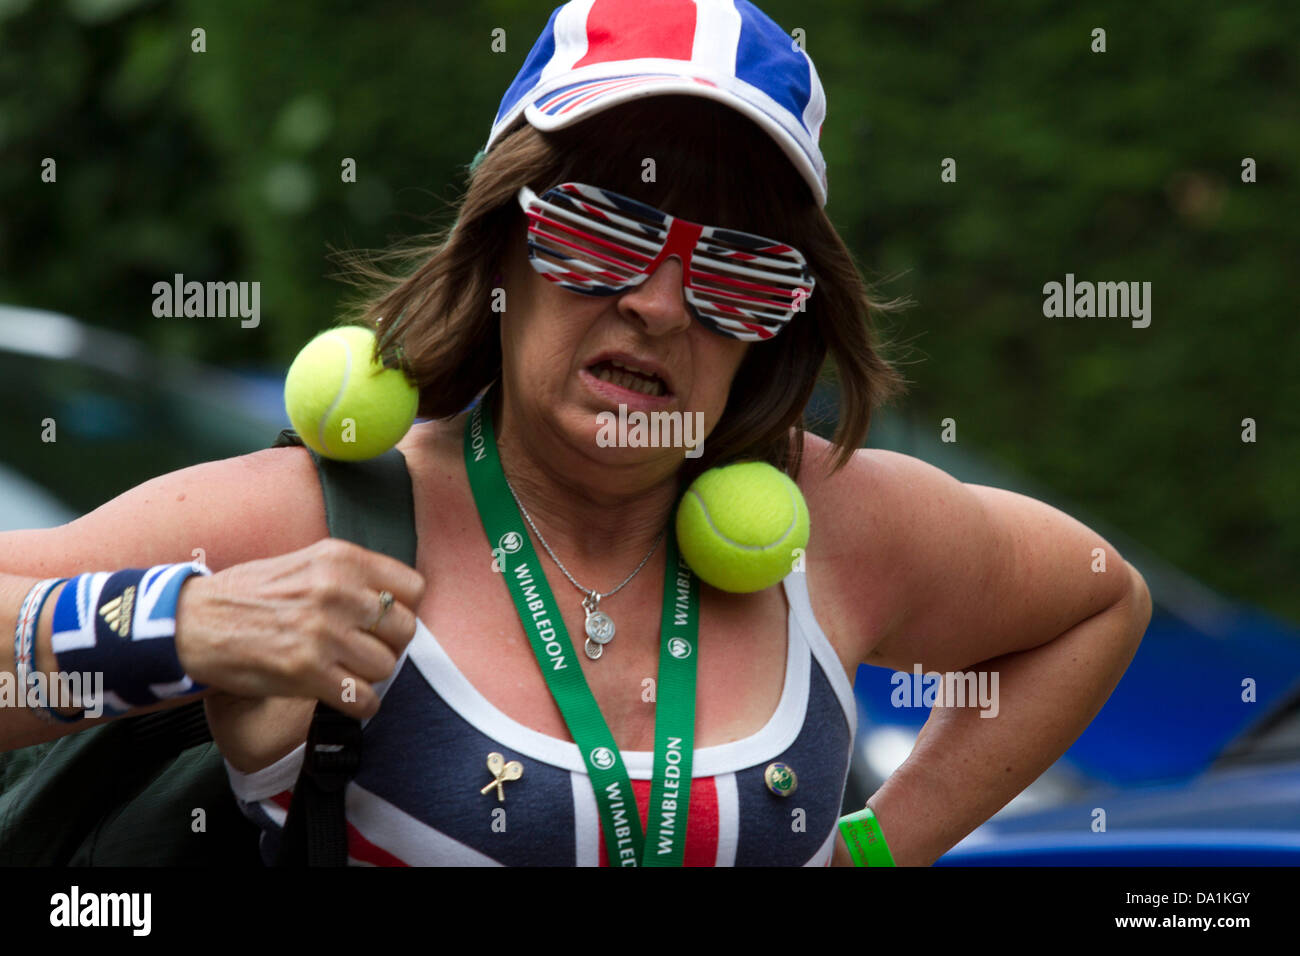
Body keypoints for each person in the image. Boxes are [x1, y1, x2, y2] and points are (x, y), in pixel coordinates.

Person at [0, 0, 1151, 867]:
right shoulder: (326, 516)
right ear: (499, 242)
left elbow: (1100, 599)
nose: (656, 301)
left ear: (781, 322)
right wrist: (180, 623)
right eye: (601, 231)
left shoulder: (841, 528)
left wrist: (874, 848)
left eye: (736, 268)